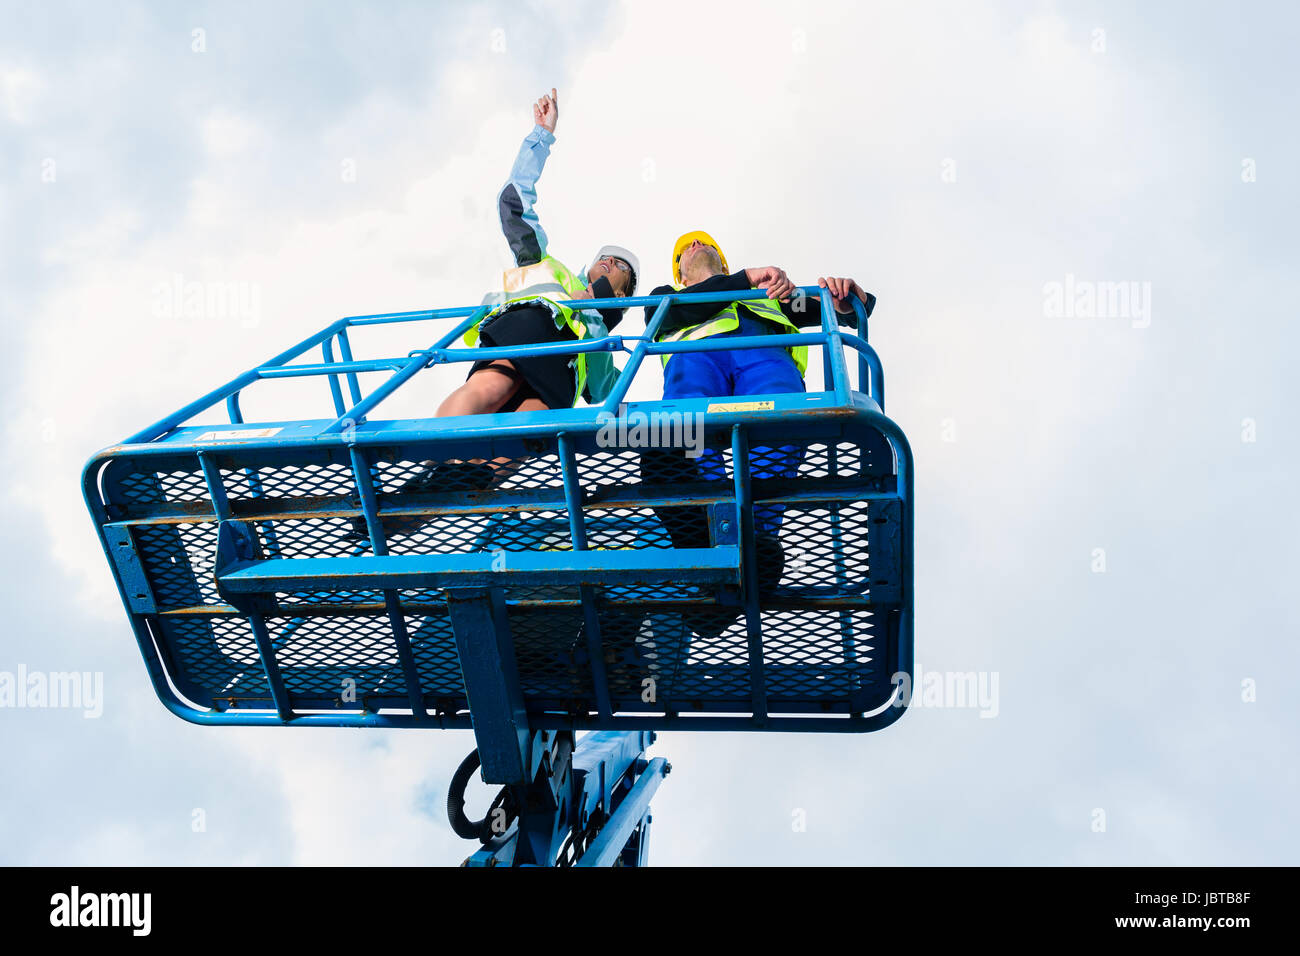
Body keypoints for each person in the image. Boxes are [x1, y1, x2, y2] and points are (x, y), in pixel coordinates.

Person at [348, 89, 638, 541]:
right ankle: (424, 469)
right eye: (605, 258)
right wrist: (541, 136)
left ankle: (436, 498)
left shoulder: (604, 339)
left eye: (622, 268)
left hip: (563, 373)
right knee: (491, 386)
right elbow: (514, 201)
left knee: (524, 431)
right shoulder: (546, 264)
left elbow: (606, 391)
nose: (611, 265)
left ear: (628, 293)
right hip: (531, 326)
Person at [640, 231, 875, 595]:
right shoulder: (667, 299)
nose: (696, 246)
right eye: (686, 249)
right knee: (688, 423)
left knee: (777, 420)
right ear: (680, 276)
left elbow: (834, 308)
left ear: (724, 261)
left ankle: (755, 538)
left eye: (706, 244)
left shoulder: (769, 297)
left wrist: (844, 300)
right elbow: (660, 312)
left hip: (765, 356)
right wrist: (745, 278)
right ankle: (710, 527)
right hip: (698, 358)